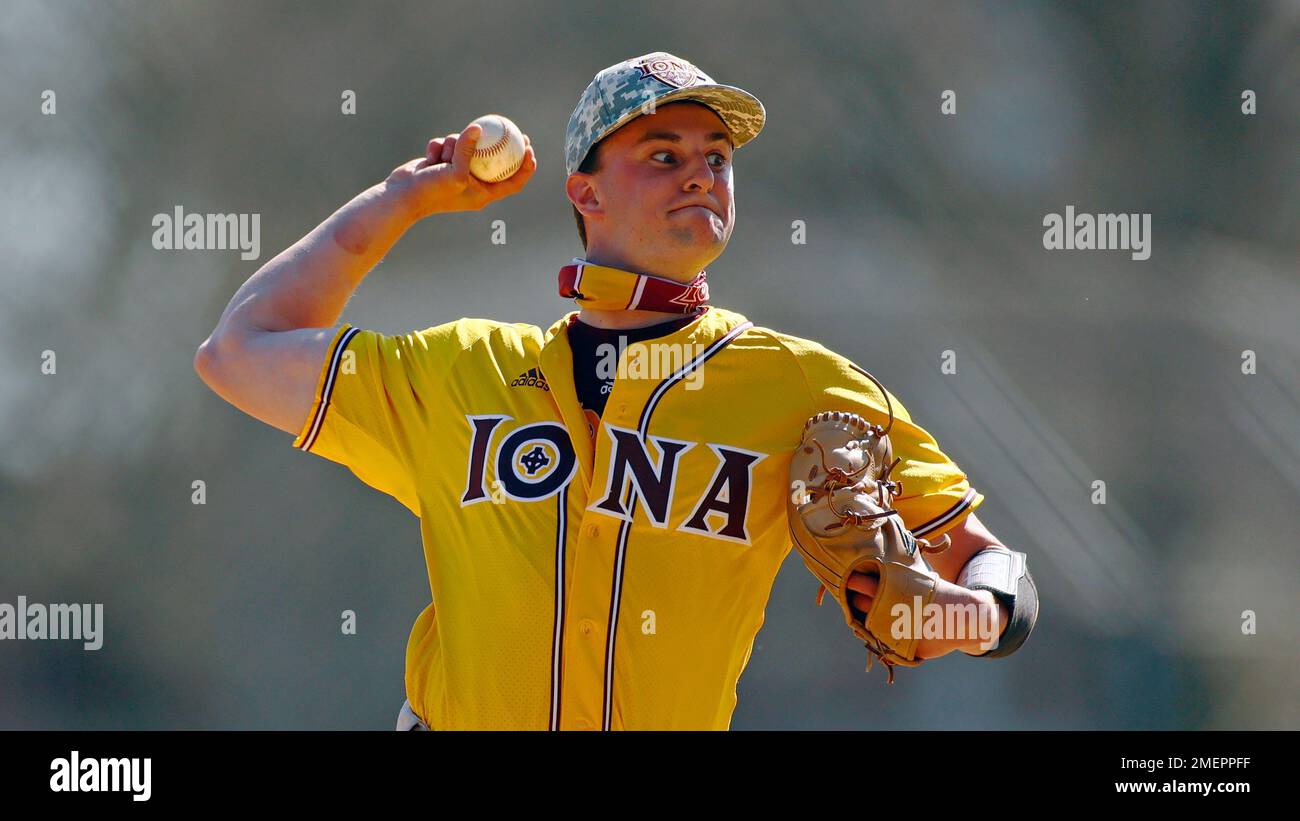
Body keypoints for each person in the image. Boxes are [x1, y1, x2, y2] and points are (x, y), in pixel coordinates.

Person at [195, 51, 1029, 731]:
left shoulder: (799, 384)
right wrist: (403, 199)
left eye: (716, 158)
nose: (700, 174)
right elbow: (239, 349)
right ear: (585, 193)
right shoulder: (462, 369)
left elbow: (997, 569)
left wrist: (967, 616)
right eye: (663, 154)